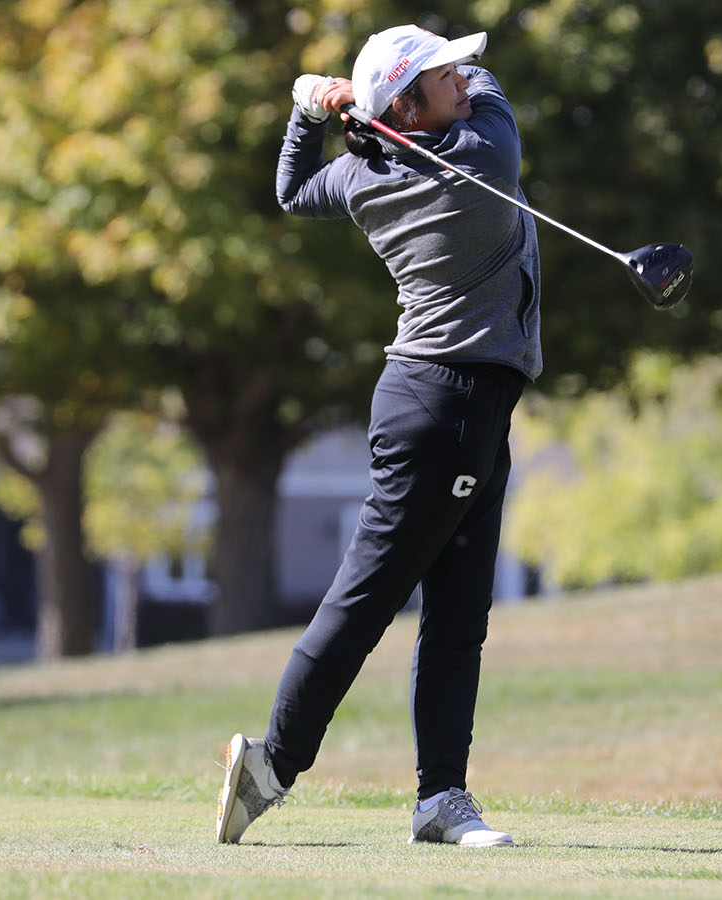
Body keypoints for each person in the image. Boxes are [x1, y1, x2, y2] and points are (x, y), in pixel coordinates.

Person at [215, 24, 541, 848]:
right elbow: (491, 88)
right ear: (407, 104)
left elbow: (294, 189)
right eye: (440, 75)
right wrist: (357, 108)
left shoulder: (362, 173)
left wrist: (310, 112)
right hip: (446, 404)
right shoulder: (482, 160)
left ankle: (441, 800)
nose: (460, 80)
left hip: (459, 403)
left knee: (460, 614)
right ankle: (273, 767)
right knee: (367, 599)